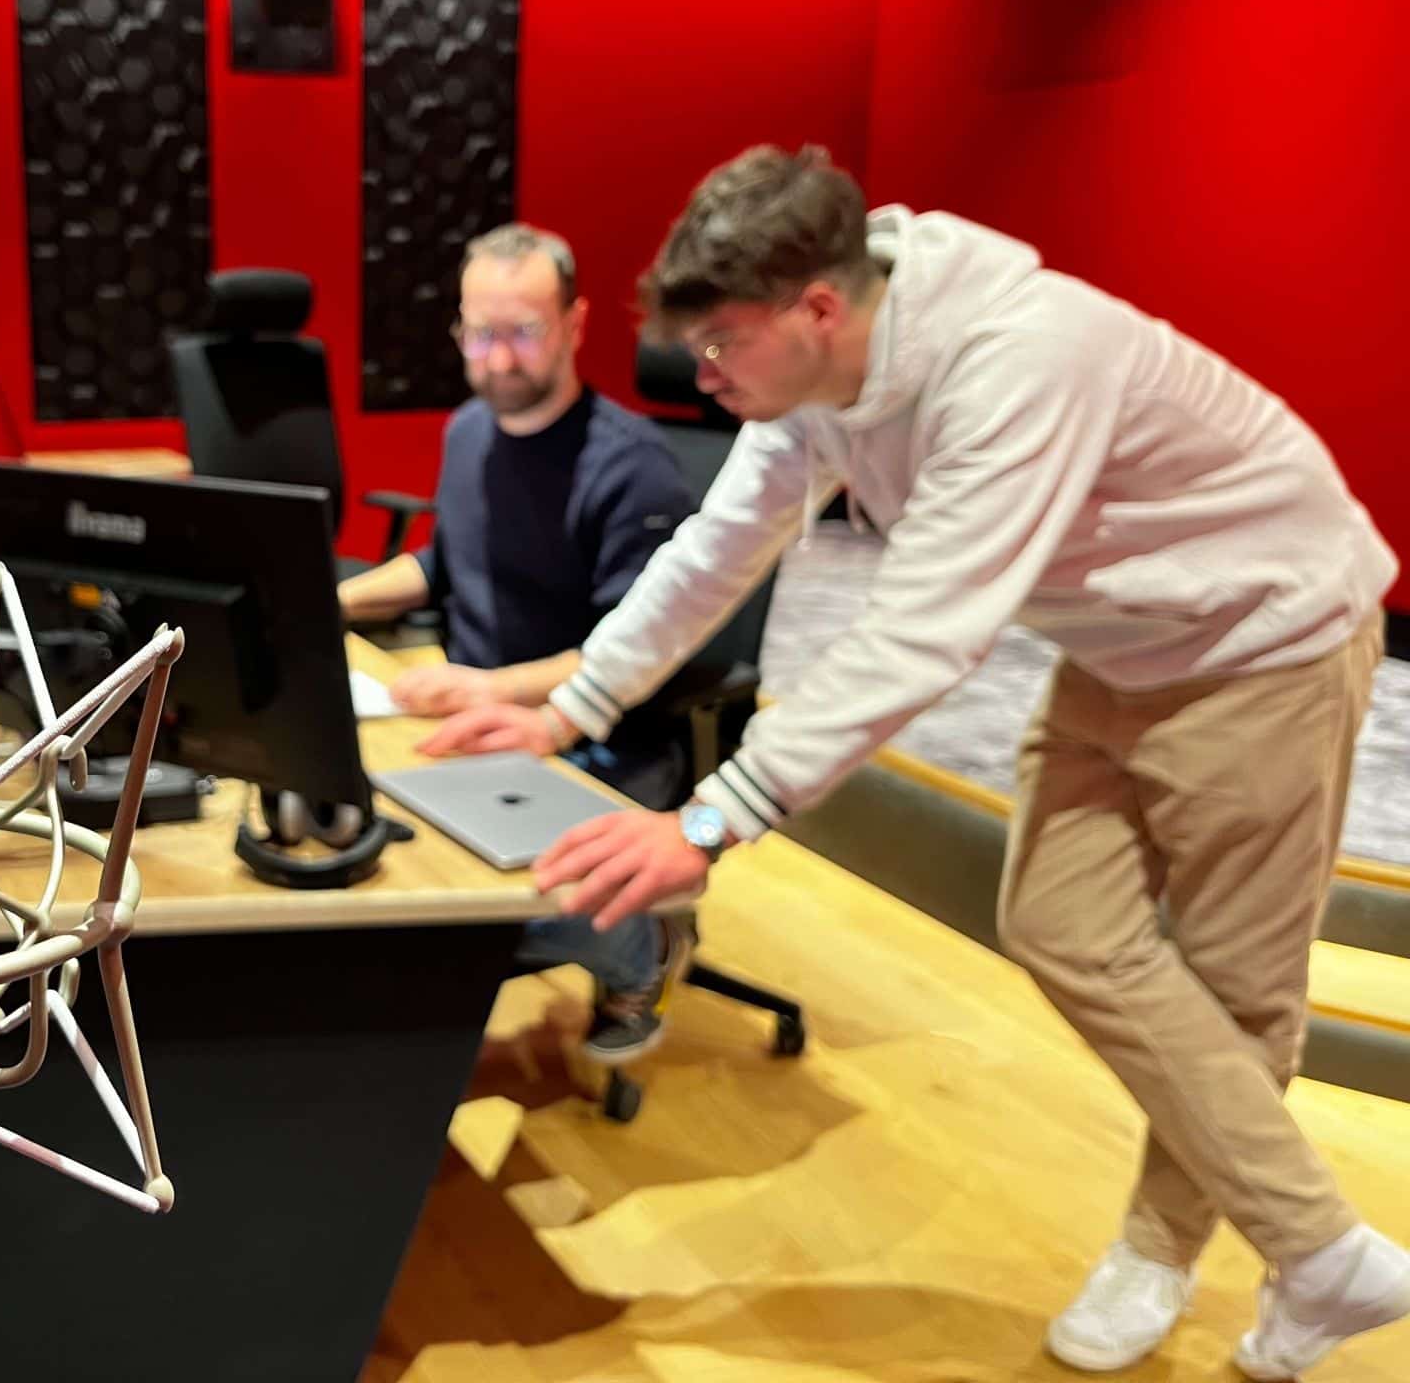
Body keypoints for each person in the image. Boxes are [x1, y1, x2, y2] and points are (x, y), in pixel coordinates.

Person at [421, 145, 1408, 1378]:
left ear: (814, 308)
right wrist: (570, 707)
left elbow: (920, 634)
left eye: (720, 344)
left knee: (1235, 989)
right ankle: (1325, 1253)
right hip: (1113, 648)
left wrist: (709, 822)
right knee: (1057, 925)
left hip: (1265, 641)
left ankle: (1191, 1253)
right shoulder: (815, 380)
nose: (701, 373)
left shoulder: (1014, 362)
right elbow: (719, 547)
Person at [339, 222, 699, 1062]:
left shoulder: (634, 467)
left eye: (524, 333)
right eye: (481, 334)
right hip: (480, 720)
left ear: (575, 324)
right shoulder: (469, 432)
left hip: (603, 740)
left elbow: (635, 651)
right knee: (363, 862)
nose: (499, 360)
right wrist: (334, 601)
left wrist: (489, 687)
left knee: (490, 909)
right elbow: (448, 562)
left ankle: (645, 947)